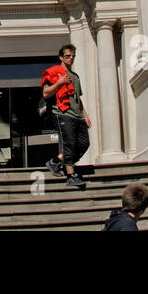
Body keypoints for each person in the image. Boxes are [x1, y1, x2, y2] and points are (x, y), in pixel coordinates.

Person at [41, 43, 91, 188]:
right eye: (68, 56)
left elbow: (77, 98)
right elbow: (46, 93)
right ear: (61, 57)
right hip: (62, 112)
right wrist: (60, 82)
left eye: (73, 56)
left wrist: (85, 116)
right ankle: (71, 176)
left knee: (84, 143)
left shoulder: (75, 76)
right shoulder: (54, 72)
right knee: (69, 144)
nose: (71, 59)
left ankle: (56, 162)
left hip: (77, 115)